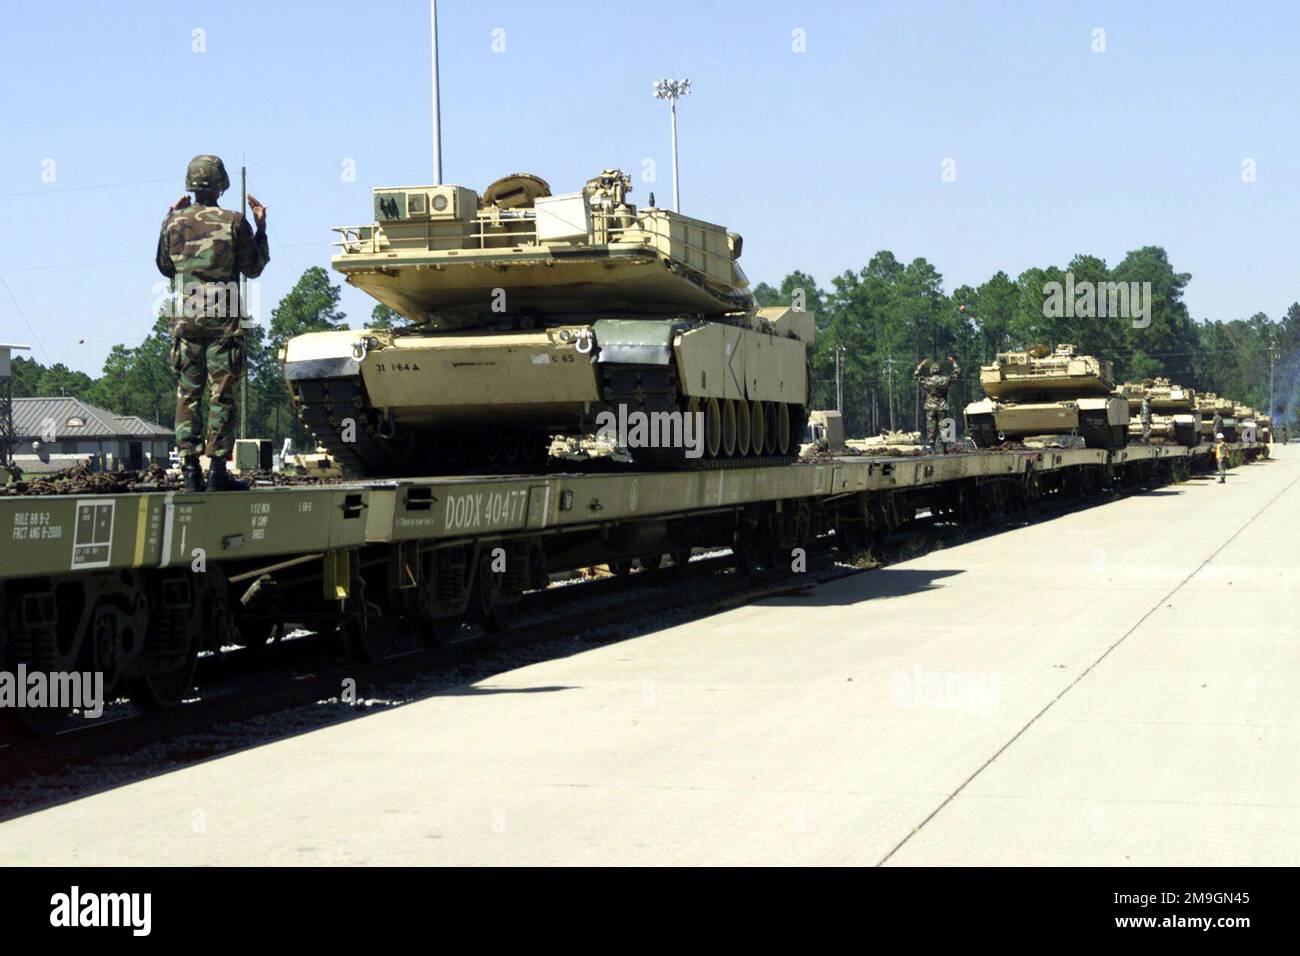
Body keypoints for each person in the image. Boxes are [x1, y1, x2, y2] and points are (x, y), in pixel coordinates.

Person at [156, 155, 269, 492]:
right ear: (221, 185)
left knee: (187, 395)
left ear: (190, 184)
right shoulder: (234, 222)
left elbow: (165, 266)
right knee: (222, 396)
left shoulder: (174, 223)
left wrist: (169, 218)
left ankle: (190, 472)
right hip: (224, 326)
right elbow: (253, 267)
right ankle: (218, 471)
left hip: (187, 324)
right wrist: (260, 226)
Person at [914, 355, 961, 454]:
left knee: (931, 427)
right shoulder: (945, 380)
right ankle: (944, 448)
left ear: (931, 371)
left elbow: (916, 376)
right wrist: (954, 362)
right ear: (940, 370)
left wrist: (920, 365)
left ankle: (932, 448)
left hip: (930, 406)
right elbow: (956, 374)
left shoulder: (927, 380)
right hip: (942, 405)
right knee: (944, 426)